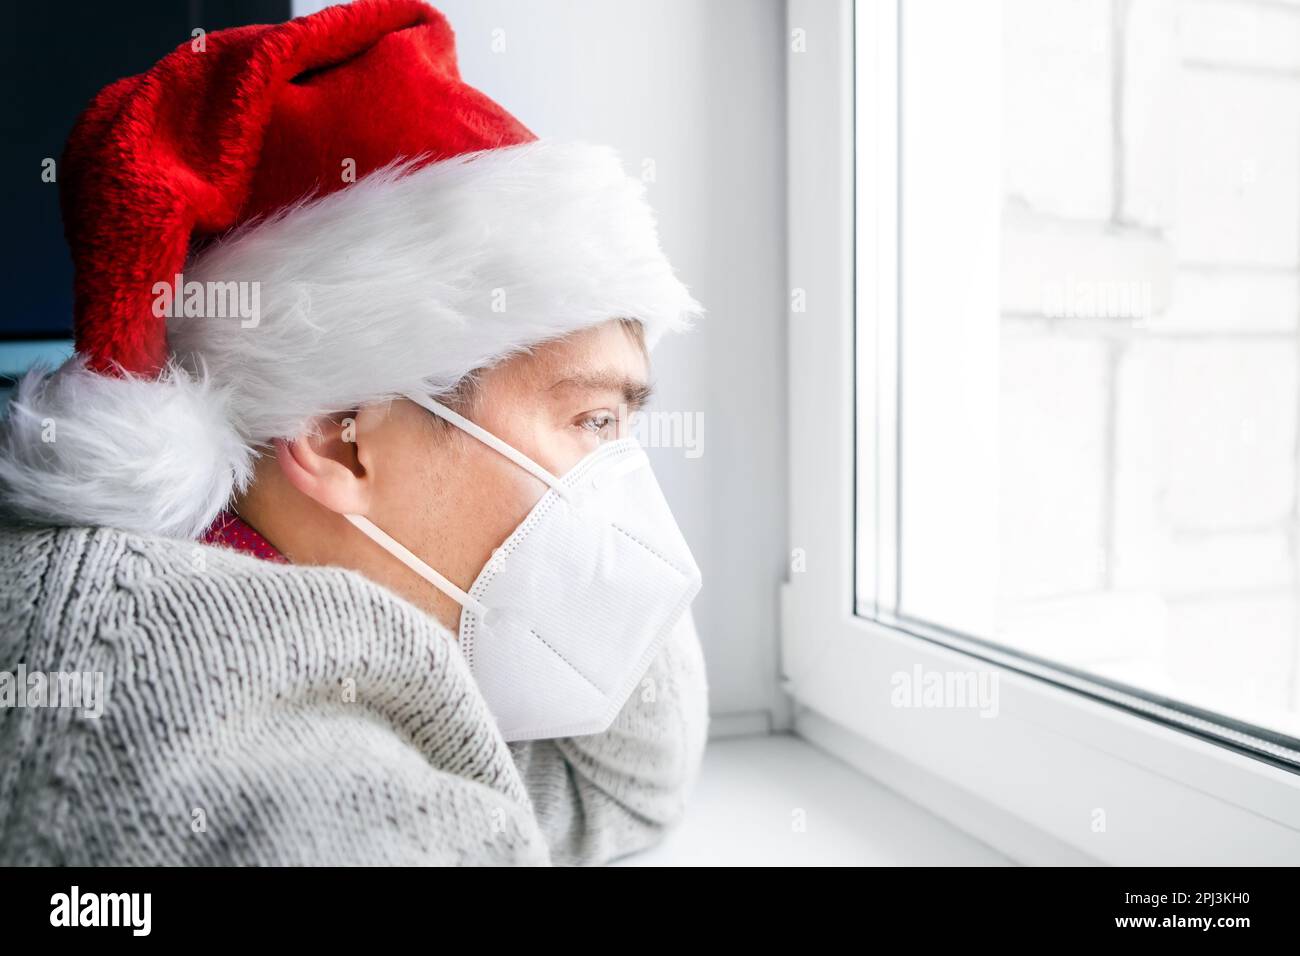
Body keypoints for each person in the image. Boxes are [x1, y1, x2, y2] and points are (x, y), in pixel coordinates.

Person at [0, 0, 707, 866]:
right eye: (592, 423)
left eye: (622, 432)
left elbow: (614, 795)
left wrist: (609, 560)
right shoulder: (210, 702)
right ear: (340, 440)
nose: (621, 490)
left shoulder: (310, 595)